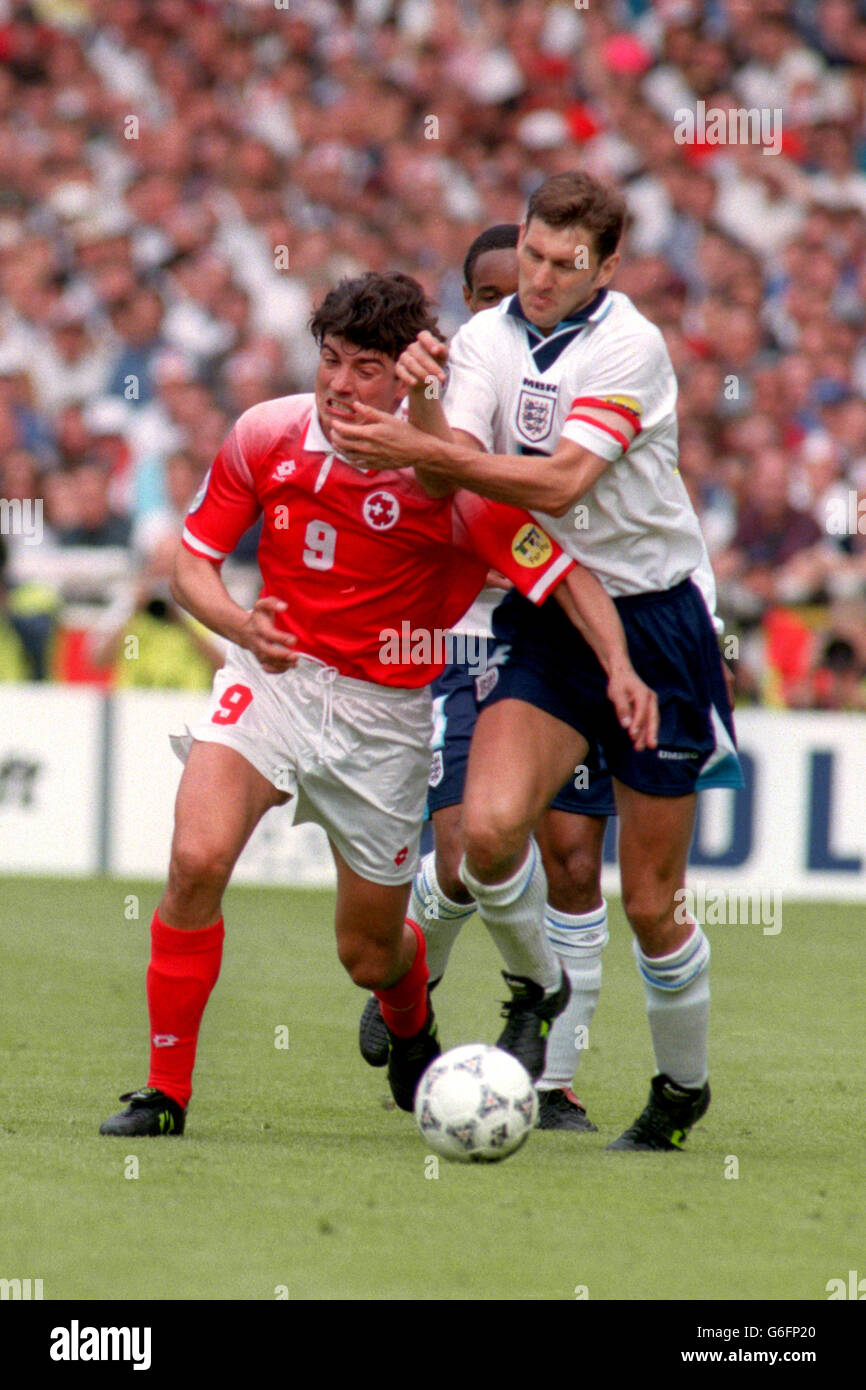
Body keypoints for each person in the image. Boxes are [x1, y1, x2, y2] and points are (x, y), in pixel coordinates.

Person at [99, 270, 658, 1138]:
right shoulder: (265, 433)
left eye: (366, 368)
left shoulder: (449, 483)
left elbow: (561, 571)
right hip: (276, 684)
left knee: (368, 952)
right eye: (329, 360)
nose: (339, 384)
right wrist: (245, 626)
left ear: (406, 378)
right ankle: (164, 1092)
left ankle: (410, 1020)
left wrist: (620, 664)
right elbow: (190, 565)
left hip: (386, 720)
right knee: (197, 859)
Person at [330, 174, 743, 1152]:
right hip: (546, 609)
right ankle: (537, 988)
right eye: (532, 253)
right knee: (485, 830)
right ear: (517, 238)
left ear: (606, 266)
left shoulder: (628, 345)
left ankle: (679, 1088)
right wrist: (423, 413)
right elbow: (446, 472)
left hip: (659, 626)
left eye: (567, 263)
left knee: (645, 900)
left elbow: (558, 478)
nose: (543, 275)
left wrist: (411, 442)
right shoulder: (482, 340)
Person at [359, 226, 617, 1133]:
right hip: (466, 629)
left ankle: (553, 1083)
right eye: (493, 291)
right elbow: (427, 479)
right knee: (471, 843)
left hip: (564, 621)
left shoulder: (596, 366)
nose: (519, 300)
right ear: (469, 299)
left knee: (577, 860)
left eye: (538, 283)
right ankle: (410, 967)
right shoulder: (441, 381)